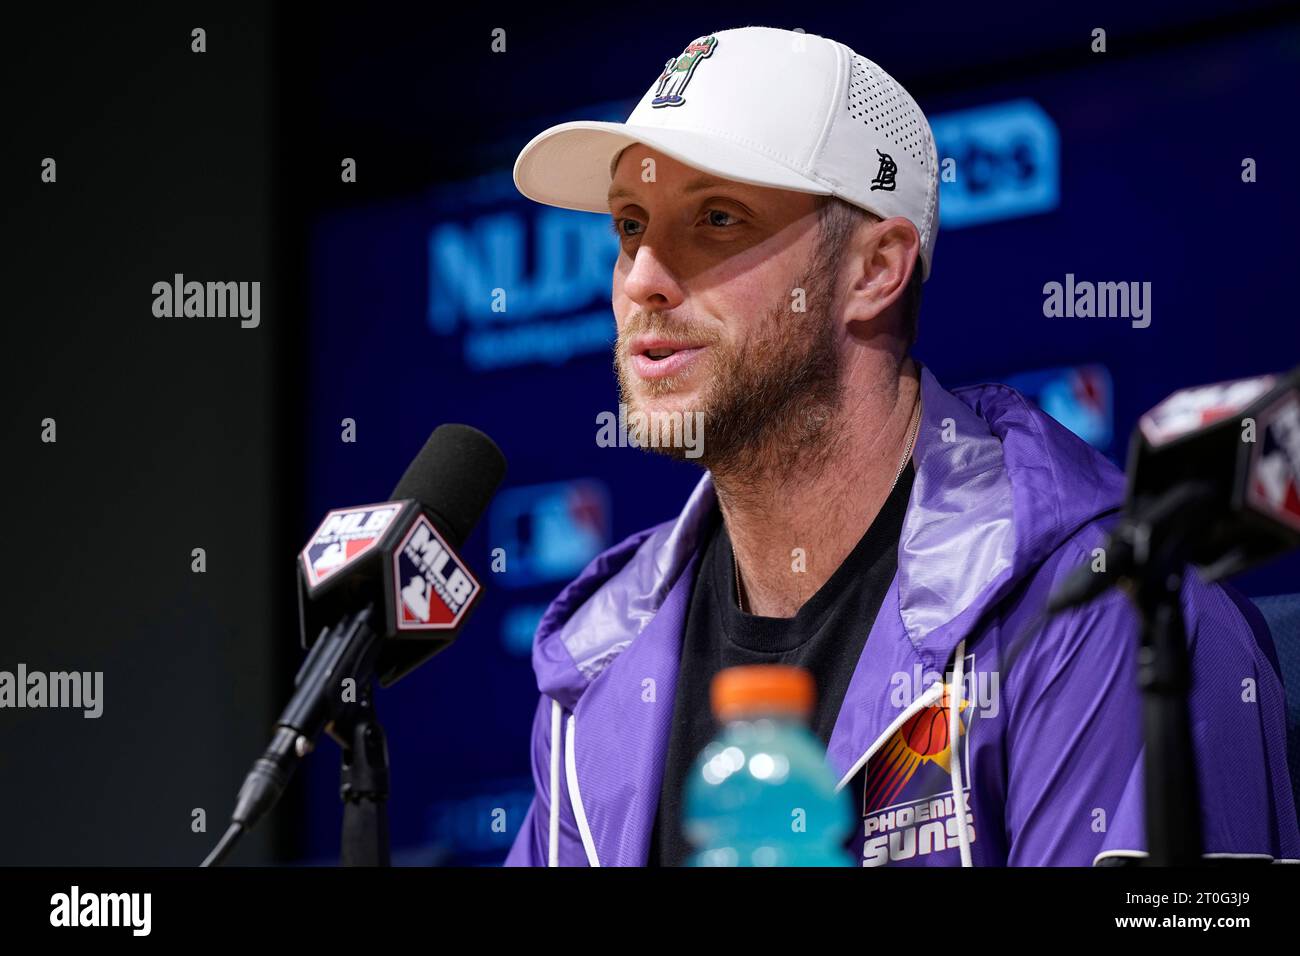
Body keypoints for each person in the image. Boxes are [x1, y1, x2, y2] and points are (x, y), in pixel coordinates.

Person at [503, 25, 1299, 866]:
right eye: (631, 225)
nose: (642, 279)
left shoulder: (1105, 613)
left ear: (875, 271)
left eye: (717, 218)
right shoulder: (597, 669)